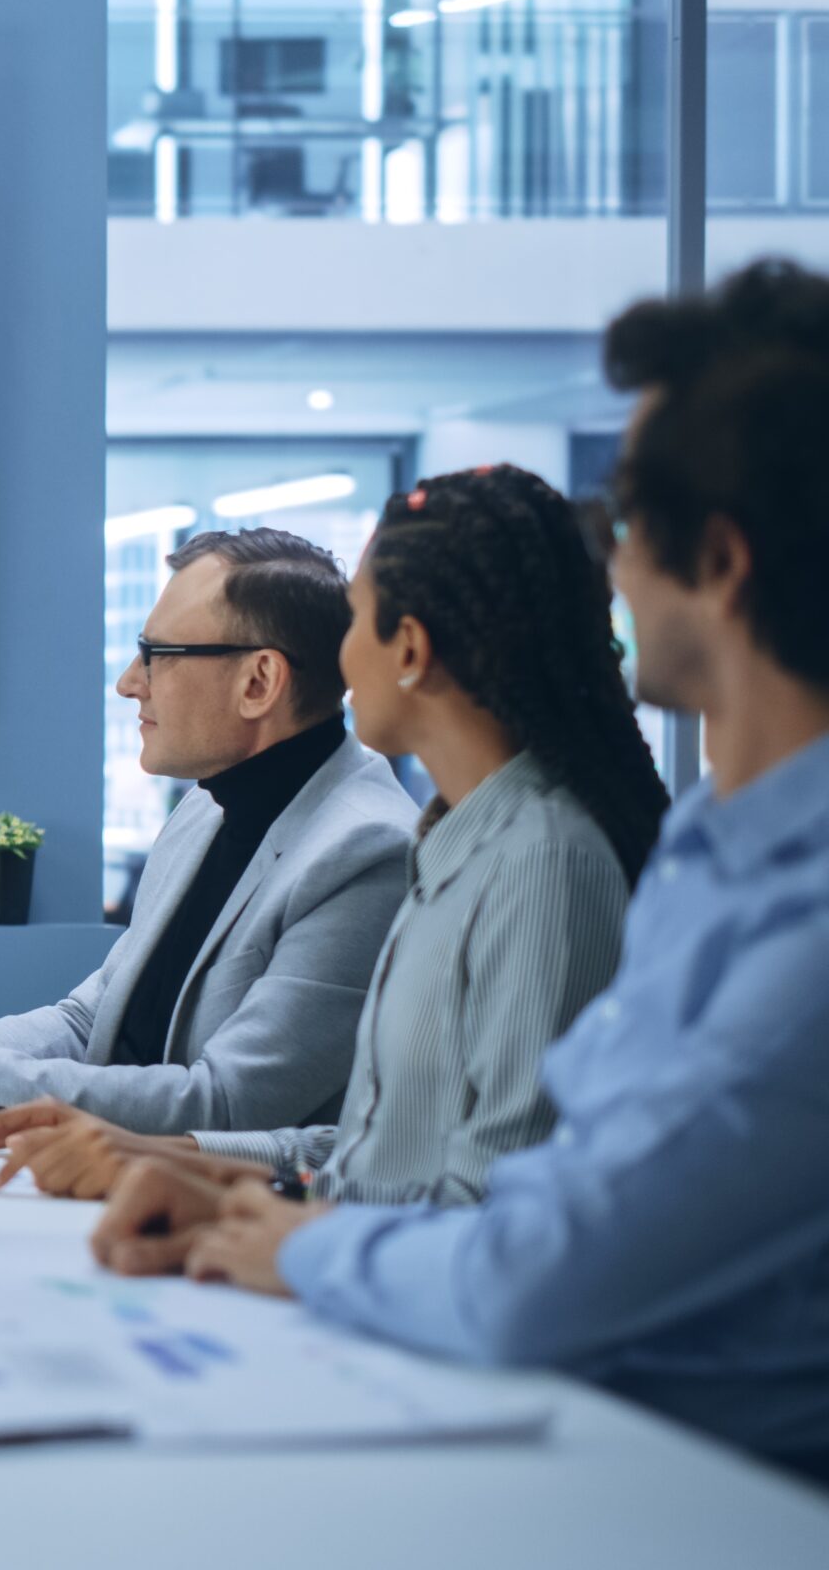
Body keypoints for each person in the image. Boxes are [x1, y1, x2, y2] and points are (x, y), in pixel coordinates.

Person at [90, 259, 829, 1484]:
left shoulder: (737, 905)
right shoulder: (707, 850)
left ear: (721, 562)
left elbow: (538, 1254)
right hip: (551, 1404)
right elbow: (458, 1168)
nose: (614, 572)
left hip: (671, 1474)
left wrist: (292, 1240)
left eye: (631, 523)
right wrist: (235, 1189)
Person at [0, 465, 665, 1203]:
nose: (337, 660)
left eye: (355, 622)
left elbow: (494, 1202)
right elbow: (365, 1150)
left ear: (410, 649)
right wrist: (171, 1157)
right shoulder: (455, 844)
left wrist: (268, 1219)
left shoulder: (538, 861)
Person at [0, 529, 417, 1131]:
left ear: (259, 681)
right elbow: (88, 1022)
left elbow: (228, 1104)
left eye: (156, 655)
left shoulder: (365, 850)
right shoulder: (205, 808)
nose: (129, 684)